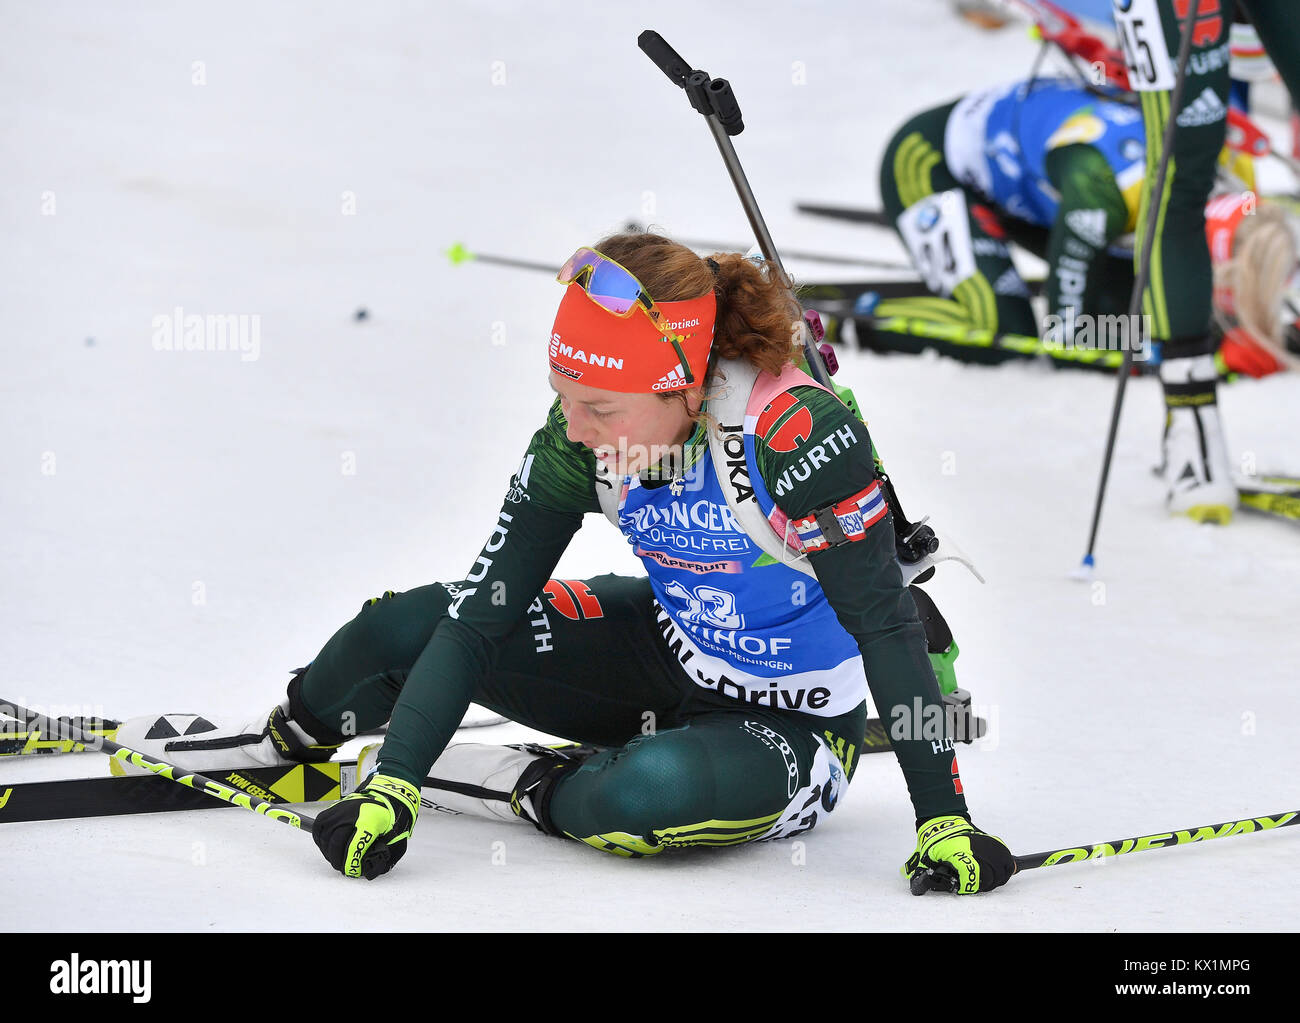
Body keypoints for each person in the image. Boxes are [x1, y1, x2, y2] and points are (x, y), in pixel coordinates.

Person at [113, 232, 1015, 894]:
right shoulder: (580, 436)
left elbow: (889, 624)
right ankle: (293, 736)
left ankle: (533, 783)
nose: (576, 429)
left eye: (600, 409)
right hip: (664, 647)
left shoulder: (792, 434)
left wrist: (944, 819)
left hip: (793, 723)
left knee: (651, 791)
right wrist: (389, 791)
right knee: (402, 626)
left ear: (683, 385)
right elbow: (482, 613)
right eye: (563, 399)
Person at [871, 72, 1298, 522]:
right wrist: (1199, 355)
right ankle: (860, 322)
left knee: (1125, 311)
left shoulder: (1239, 184)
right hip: (927, 161)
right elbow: (1066, 341)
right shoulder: (1101, 196)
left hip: (1038, 179)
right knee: (1000, 329)